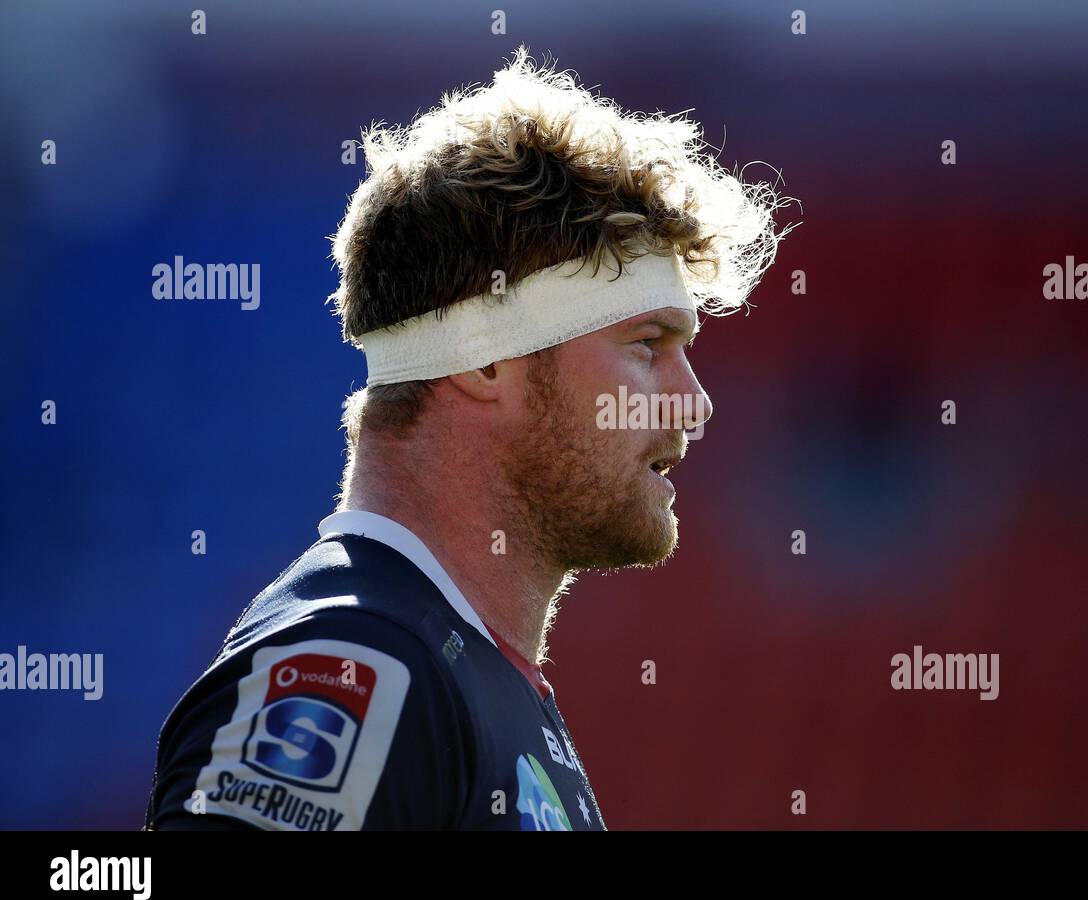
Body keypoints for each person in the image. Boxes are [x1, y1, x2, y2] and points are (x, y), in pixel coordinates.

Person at [145, 44, 792, 830]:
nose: (693, 403)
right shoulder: (347, 669)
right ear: (486, 361)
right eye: (646, 345)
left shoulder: (464, 672)